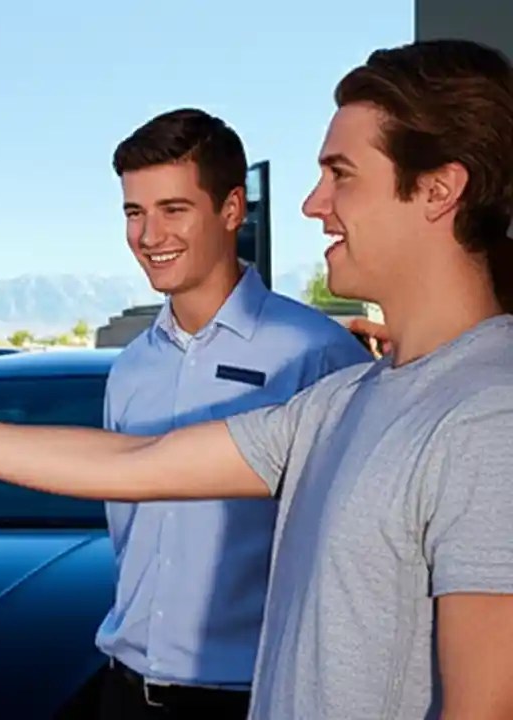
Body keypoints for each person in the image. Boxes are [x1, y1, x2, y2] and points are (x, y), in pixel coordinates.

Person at [0, 38, 513, 719]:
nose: (312, 203)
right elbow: (138, 461)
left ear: (438, 190)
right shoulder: (344, 402)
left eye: (342, 174)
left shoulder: (489, 416)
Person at [93, 108, 372, 718]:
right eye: (134, 213)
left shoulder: (317, 355)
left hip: (250, 698)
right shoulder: (129, 370)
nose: (148, 236)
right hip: (122, 691)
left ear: (231, 209)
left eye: (173, 210)